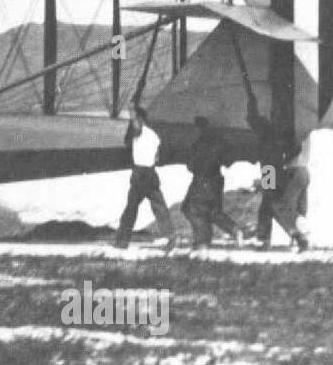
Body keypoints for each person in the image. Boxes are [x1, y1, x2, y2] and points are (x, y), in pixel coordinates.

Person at [246, 100, 309, 252]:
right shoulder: (283, 129)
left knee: (269, 206)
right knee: (276, 206)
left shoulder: (266, 130)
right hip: (280, 170)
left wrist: (252, 102)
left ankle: (270, 239)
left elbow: (252, 118)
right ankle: (296, 235)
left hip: (270, 169)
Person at [115, 103, 175, 251]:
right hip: (151, 173)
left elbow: (134, 129)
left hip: (140, 174)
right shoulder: (154, 135)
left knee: (131, 208)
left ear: (140, 119)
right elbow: (157, 157)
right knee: (160, 207)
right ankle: (170, 237)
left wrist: (131, 113)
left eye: (135, 119)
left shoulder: (139, 131)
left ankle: (122, 242)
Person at [181, 116, 243, 249]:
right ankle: (235, 230)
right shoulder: (218, 141)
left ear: (197, 128)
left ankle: (203, 242)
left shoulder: (199, 144)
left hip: (202, 179)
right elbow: (229, 160)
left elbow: (190, 166)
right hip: (217, 179)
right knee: (213, 211)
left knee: (193, 209)